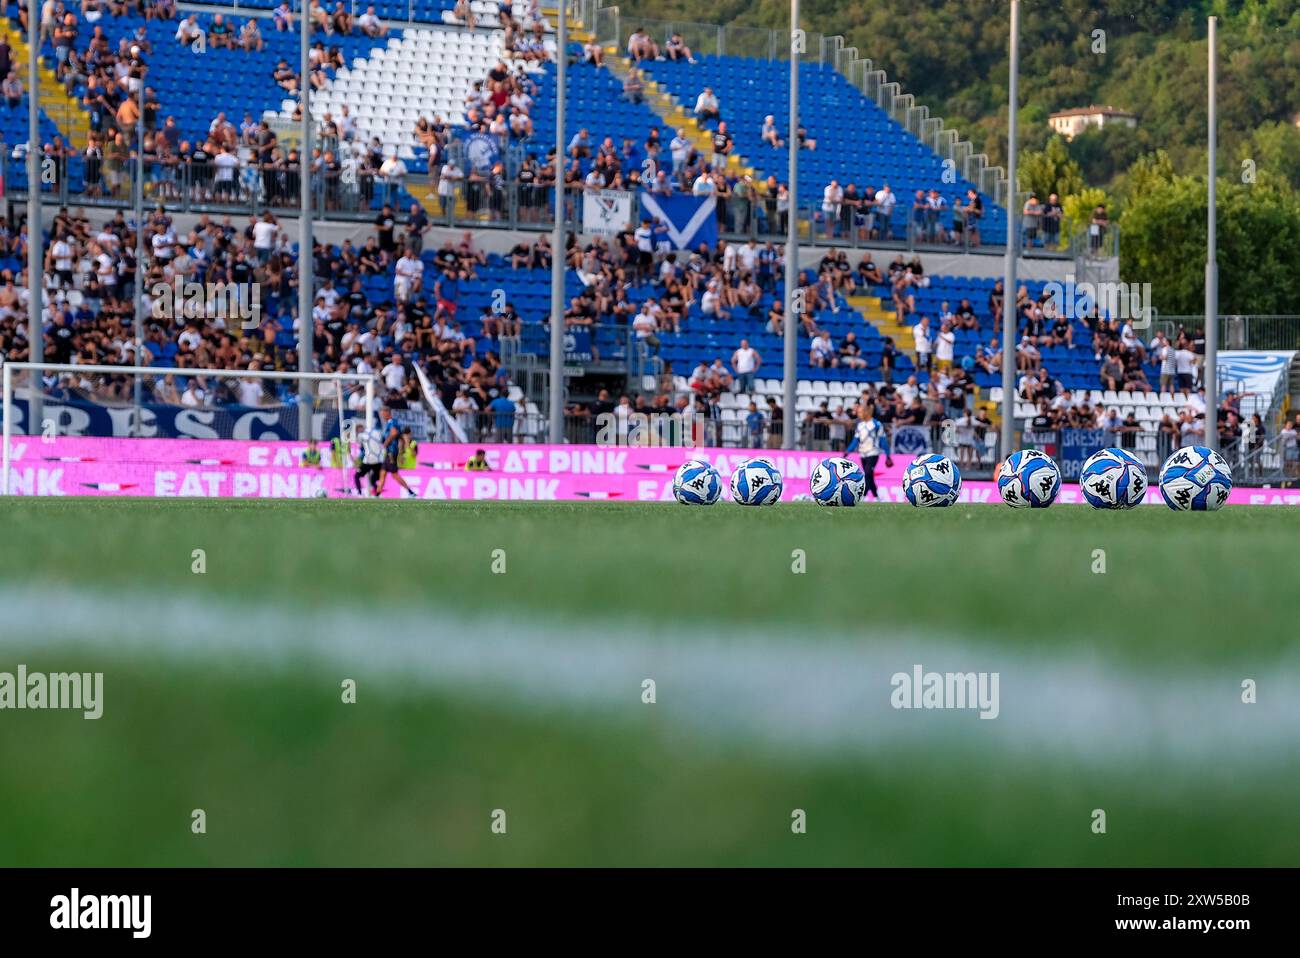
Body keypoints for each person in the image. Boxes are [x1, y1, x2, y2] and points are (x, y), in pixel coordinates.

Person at [846, 401, 892, 500]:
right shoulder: (860, 425)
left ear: (866, 412)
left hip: (873, 452)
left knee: (867, 474)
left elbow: (883, 440)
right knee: (869, 476)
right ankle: (875, 497)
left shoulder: (876, 424)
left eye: (860, 412)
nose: (858, 414)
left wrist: (888, 455)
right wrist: (847, 451)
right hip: (862, 453)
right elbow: (855, 440)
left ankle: (866, 496)